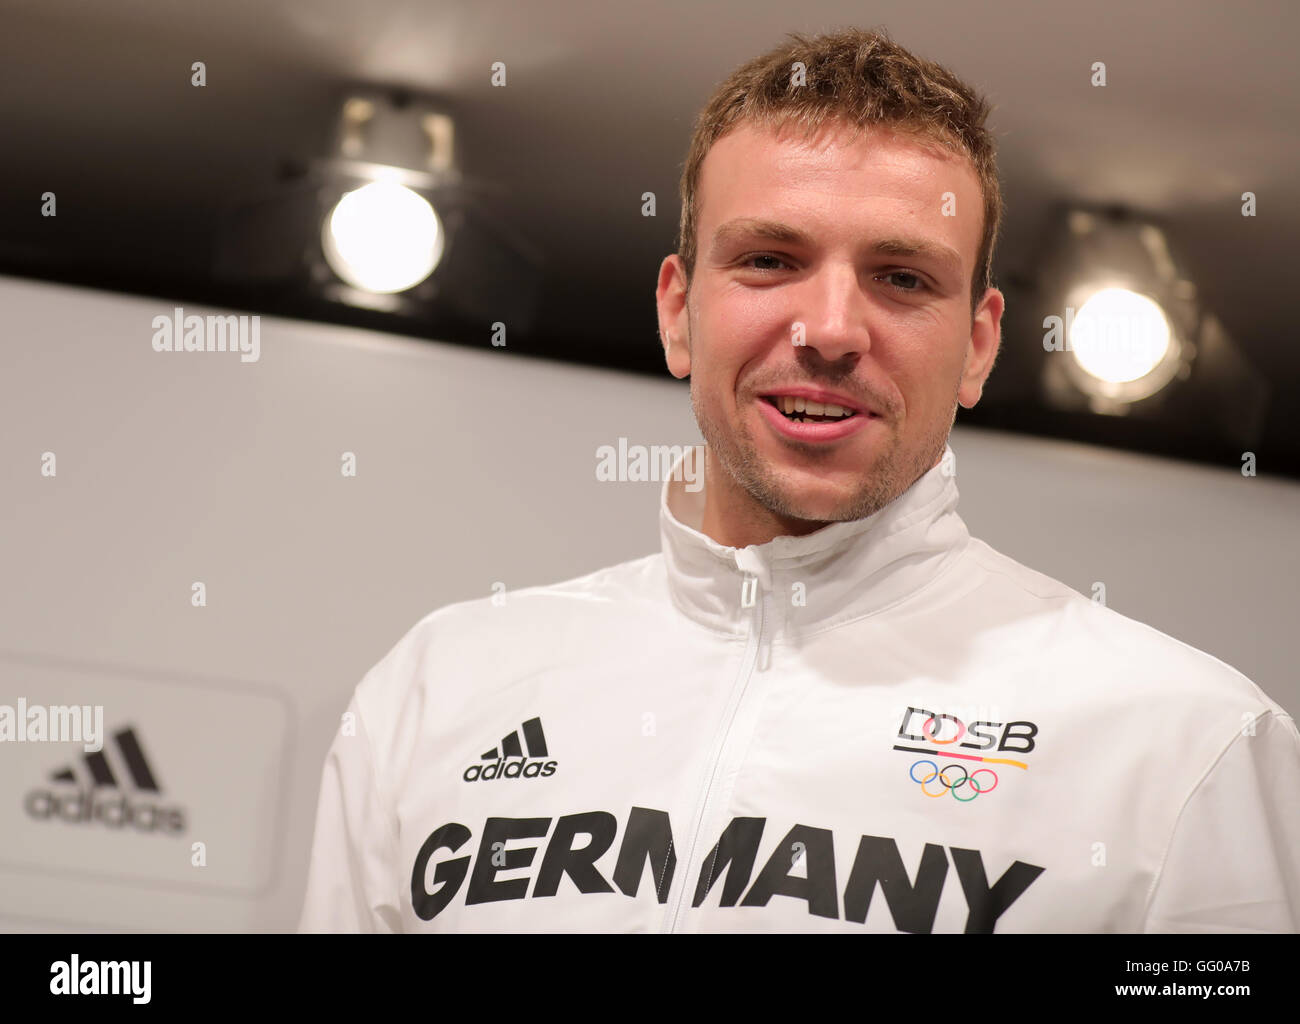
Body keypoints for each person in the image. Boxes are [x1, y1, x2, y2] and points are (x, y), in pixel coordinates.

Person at [298, 27, 1300, 933]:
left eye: (902, 278)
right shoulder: (439, 691)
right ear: (679, 311)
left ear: (979, 344)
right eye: (771, 259)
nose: (829, 330)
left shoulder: (1185, 744)